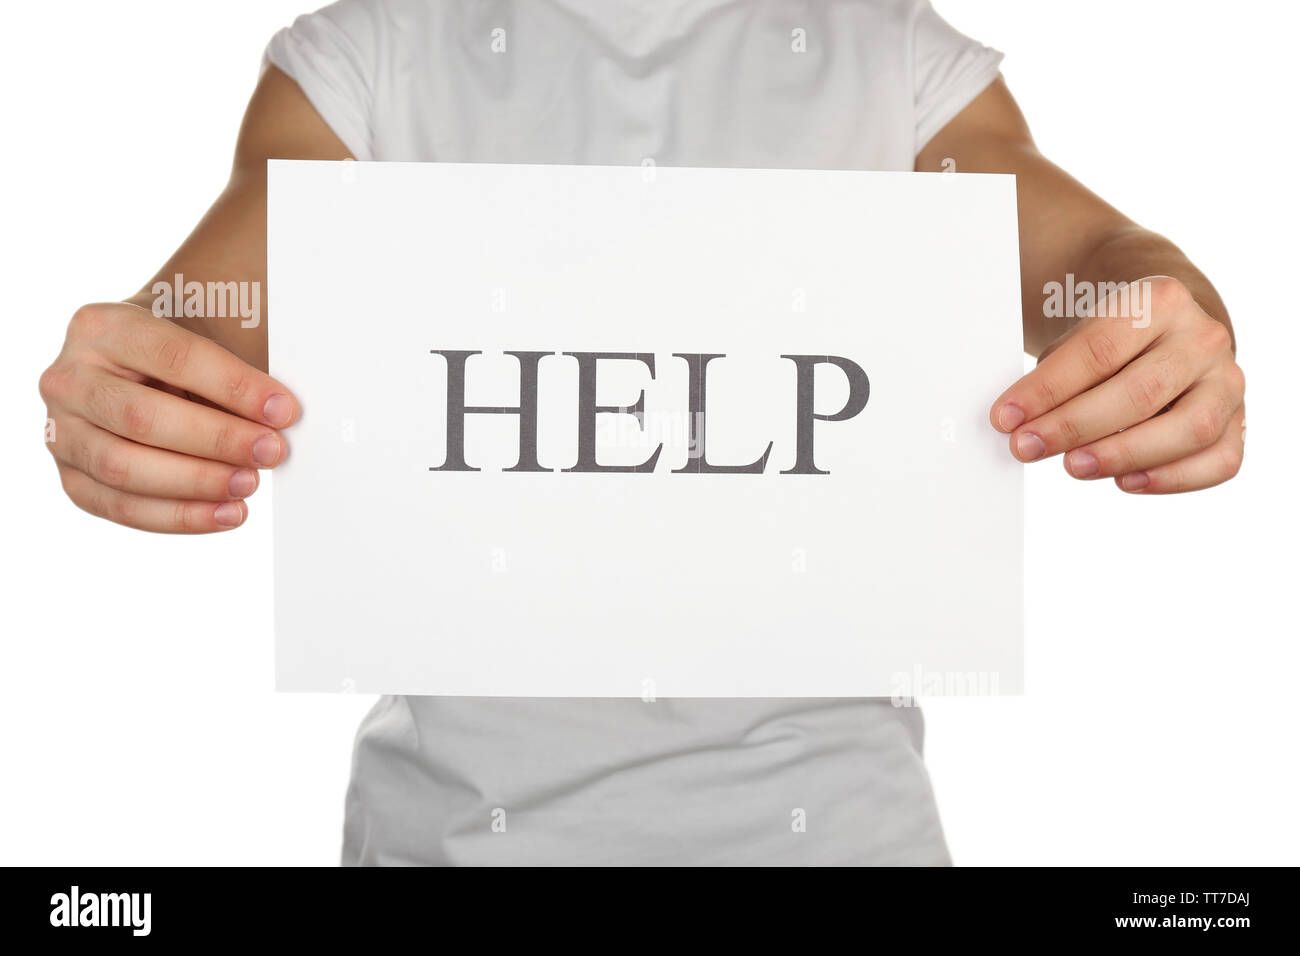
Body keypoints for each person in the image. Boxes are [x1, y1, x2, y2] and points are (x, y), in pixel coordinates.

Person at [37, 0, 1244, 865]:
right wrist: (130, 381)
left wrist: (1164, 304)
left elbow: (1077, 252)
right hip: (446, 841)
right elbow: (227, 298)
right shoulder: (371, 52)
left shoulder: (892, 52)